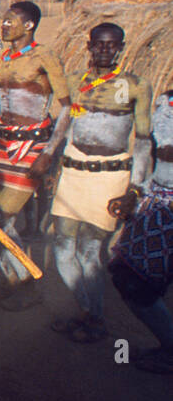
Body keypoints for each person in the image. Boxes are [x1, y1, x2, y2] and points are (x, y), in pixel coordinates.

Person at [45, 23, 151, 342]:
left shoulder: (136, 86)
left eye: (112, 45)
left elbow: (144, 140)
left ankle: (97, 320)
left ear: (121, 47)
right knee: (62, 247)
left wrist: (134, 189)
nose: (105, 50)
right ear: (89, 46)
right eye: (99, 45)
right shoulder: (76, 82)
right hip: (73, 173)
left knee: (91, 251)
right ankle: (86, 311)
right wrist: (48, 158)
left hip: (110, 175)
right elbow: (65, 122)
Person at [0, 0, 69, 308]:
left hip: (32, 146)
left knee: (3, 214)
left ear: (29, 25)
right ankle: (12, 276)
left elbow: (68, 108)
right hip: (2, 144)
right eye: (3, 19)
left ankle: (28, 284)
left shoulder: (45, 56)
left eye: (9, 20)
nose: (3, 24)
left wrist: (48, 153)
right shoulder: (5, 56)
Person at [108, 84, 173, 372]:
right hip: (156, 199)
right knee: (130, 276)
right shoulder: (165, 101)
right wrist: (135, 192)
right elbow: (148, 146)